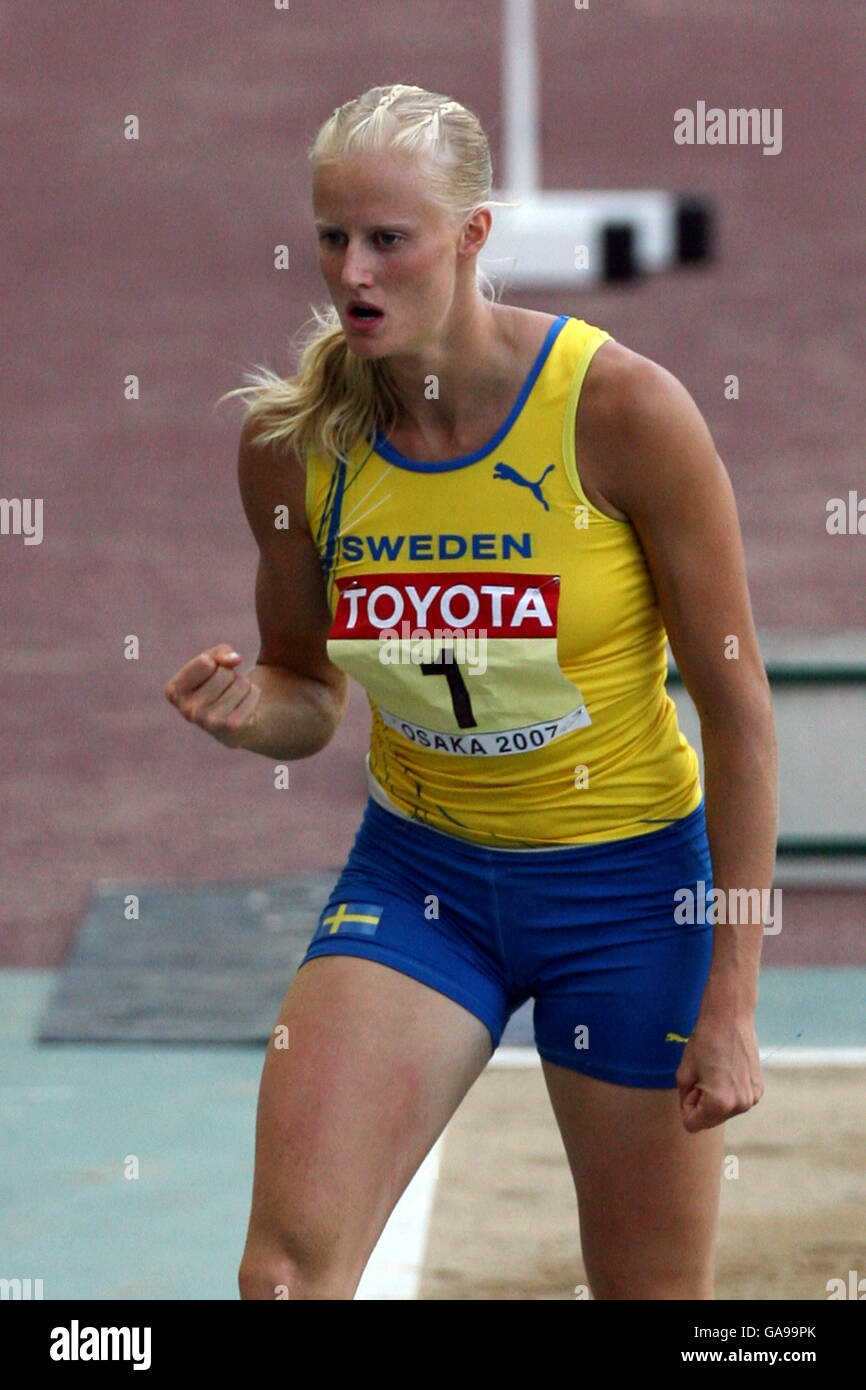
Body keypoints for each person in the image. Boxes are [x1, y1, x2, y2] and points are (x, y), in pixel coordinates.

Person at [165, 84, 778, 1301]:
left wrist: (731, 994)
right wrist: (247, 716)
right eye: (332, 236)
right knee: (282, 1277)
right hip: (420, 881)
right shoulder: (295, 445)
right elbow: (304, 689)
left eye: (388, 237)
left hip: (624, 892)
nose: (353, 270)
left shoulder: (620, 411)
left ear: (473, 236)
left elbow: (741, 713)